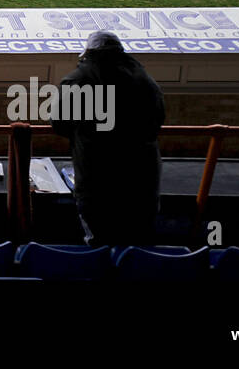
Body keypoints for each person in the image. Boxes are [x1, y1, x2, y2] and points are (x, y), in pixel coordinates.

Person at [51, 31, 165, 248]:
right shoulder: (145, 80)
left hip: (98, 178)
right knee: (139, 247)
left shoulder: (79, 80)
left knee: (100, 245)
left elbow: (59, 124)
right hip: (143, 178)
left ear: (90, 53)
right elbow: (157, 121)